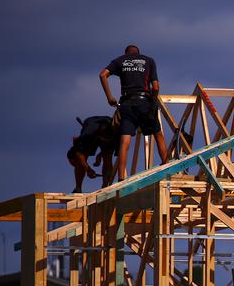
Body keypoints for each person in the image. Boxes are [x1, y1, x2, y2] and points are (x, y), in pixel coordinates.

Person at [99, 45, 168, 181]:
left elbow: (103, 75)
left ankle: (121, 178)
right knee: (158, 133)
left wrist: (110, 97)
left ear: (126, 54)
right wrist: (153, 101)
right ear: (138, 53)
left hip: (127, 103)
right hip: (144, 102)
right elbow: (155, 86)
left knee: (125, 140)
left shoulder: (120, 61)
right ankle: (166, 165)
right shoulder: (149, 61)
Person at [67, 115, 119, 193]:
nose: (104, 141)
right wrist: (88, 169)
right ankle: (78, 189)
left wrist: (100, 155)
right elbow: (78, 154)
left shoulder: (116, 133)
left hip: (107, 130)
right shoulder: (89, 133)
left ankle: (105, 187)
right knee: (80, 158)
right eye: (104, 139)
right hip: (91, 129)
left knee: (108, 158)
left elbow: (109, 150)